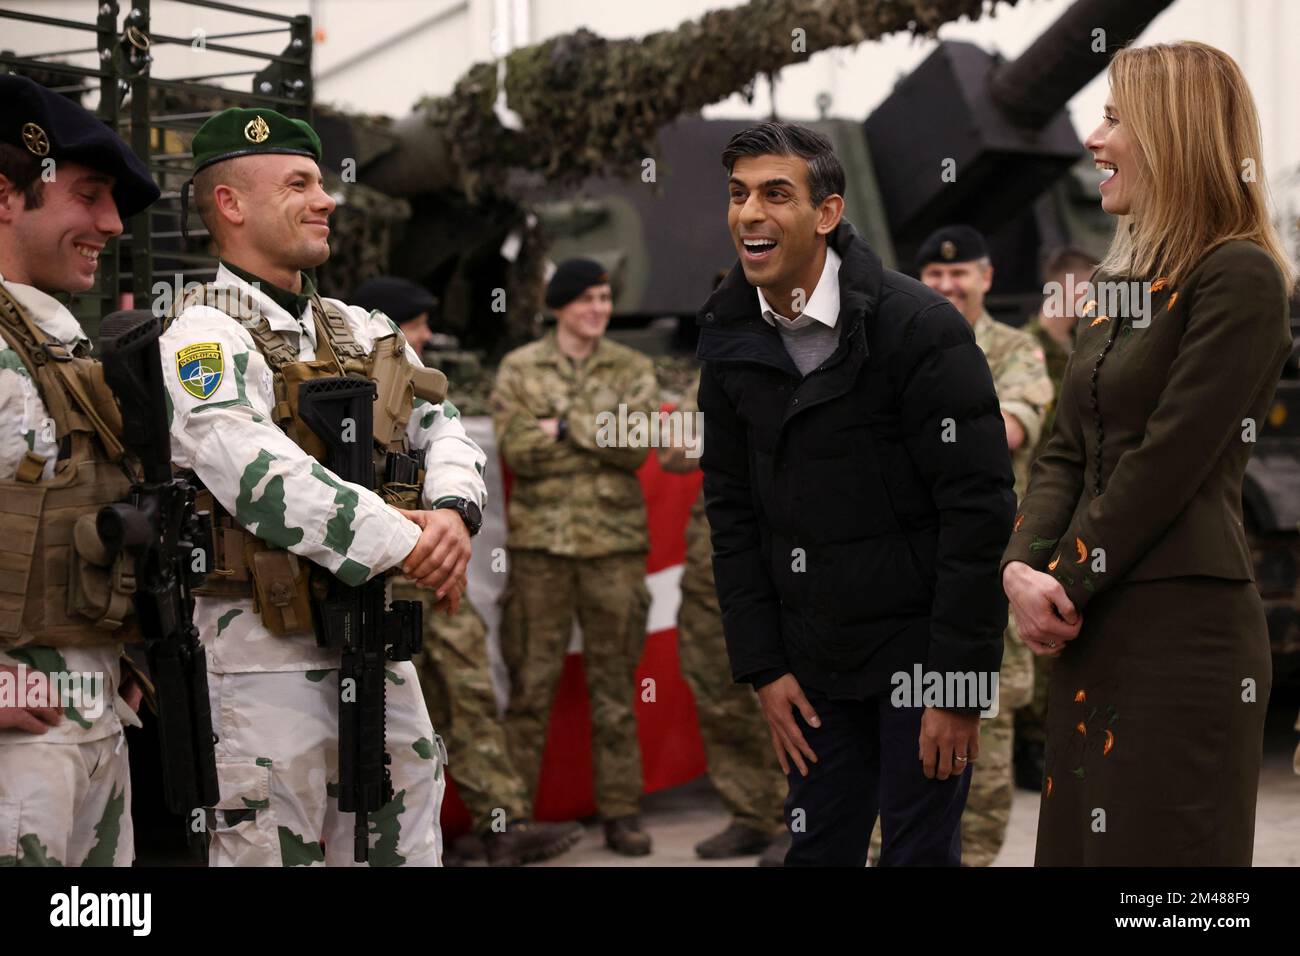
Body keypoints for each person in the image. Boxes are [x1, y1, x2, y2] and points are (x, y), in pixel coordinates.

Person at [161, 107, 487, 866]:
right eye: (299, 183)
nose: (327, 199)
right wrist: (409, 542)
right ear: (230, 205)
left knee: (406, 840)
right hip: (263, 665)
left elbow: (445, 425)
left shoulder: (363, 329)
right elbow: (256, 475)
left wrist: (452, 512)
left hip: (380, 643)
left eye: (322, 181)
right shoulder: (203, 337)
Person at [1001, 42, 1294, 866]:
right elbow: (1063, 447)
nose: (1094, 140)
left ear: (1174, 134)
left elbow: (1169, 460)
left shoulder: (1239, 277)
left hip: (1181, 634)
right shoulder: (1121, 282)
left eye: (1116, 119)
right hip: (1091, 625)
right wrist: (1021, 570)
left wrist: (1059, 583)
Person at [697, 122, 1015, 867]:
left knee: (918, 856)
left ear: (828, 213)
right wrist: (765, 668)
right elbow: (733, 513)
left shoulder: (918, 328)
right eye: (738, 195)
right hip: (810, 671)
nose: (750, 214)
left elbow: (979, 511)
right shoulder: (730, 334)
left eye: (777, 194)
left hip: (919, 666)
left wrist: (959, 688)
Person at [355, 275, 582, 867]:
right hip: (395, 574)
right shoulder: (360, 390)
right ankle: (455, 831)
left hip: (417, 570)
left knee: (455, 700)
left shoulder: (413, 395)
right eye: (418, 324)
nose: (428, 335)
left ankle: (489, 827)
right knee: (422, 703)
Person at [0, 74, 159, 866]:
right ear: (5, 195)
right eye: (88, 195)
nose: (112, 223)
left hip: (86, 715)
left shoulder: (54, 342)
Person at [490, 258, 658, 856]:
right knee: (531, 687)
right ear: (560, 306)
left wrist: (562, 426)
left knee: (616, 689)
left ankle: (622, 812)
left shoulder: (633, 367)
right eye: (586, 298)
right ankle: (510, 820)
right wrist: (596, 433)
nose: (599, 308)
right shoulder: (520, 367)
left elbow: (635, 445)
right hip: (541, 552)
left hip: (614, 548)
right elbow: (517, 450)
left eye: (606, 297)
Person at [916, 224, 1052, 866]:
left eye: (959, 274)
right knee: (904, 759)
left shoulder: (1016, 350)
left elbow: (1009, 430)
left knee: (984, 771)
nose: (947, 286)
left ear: (986, 278)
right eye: (935, 276)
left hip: (985, 582)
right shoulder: (898, 345)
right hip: (909, 583)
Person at [658, 370, 788, 864]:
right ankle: (752, 814)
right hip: (710, 561)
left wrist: (723, 436)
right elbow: (672, 453)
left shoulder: (808, 354)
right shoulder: (718, 371)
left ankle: (801, 815)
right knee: (716, 692)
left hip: (784, 559)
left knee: (791, 696)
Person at [1014, 245, 1097, 791]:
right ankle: (1026, 748)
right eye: (1087, 289)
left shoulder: (1078, 349)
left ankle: (1041, 744)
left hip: (1068, 520)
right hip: (1030, 515)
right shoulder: (1029, 351)